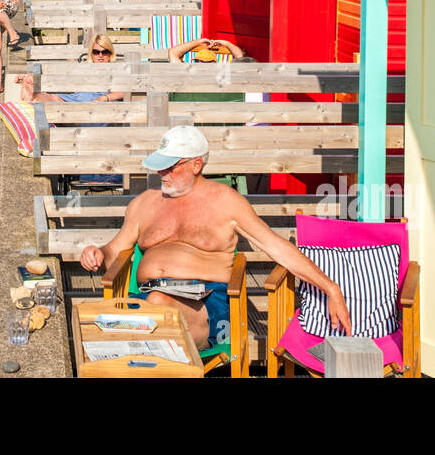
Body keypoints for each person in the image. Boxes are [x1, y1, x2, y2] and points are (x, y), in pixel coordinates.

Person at [79, 125, 353, 349]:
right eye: (160, 167)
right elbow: (116, 249)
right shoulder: (145, 202)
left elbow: (276, 247)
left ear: (196, 164)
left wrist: (331, 288)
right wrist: (99, 253)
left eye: (170, 167)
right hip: (149, 296)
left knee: (148, 315)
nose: (162, 174)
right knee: (92, 323)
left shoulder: (225, 201)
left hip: (207, 303)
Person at [17, 35, 125, 104]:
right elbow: (63, 77)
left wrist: (105, 98)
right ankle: (32, 96)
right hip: (74, 99)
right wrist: (29, 77)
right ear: (91, 54)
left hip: (95, 103)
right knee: (45, 97)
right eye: (96, 52)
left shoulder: (116, 69)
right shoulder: (84, 68)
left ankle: (31, 99)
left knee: (46, 102)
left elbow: (125, 91)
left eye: (105, 52)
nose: (100, 55)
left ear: (110, 53)